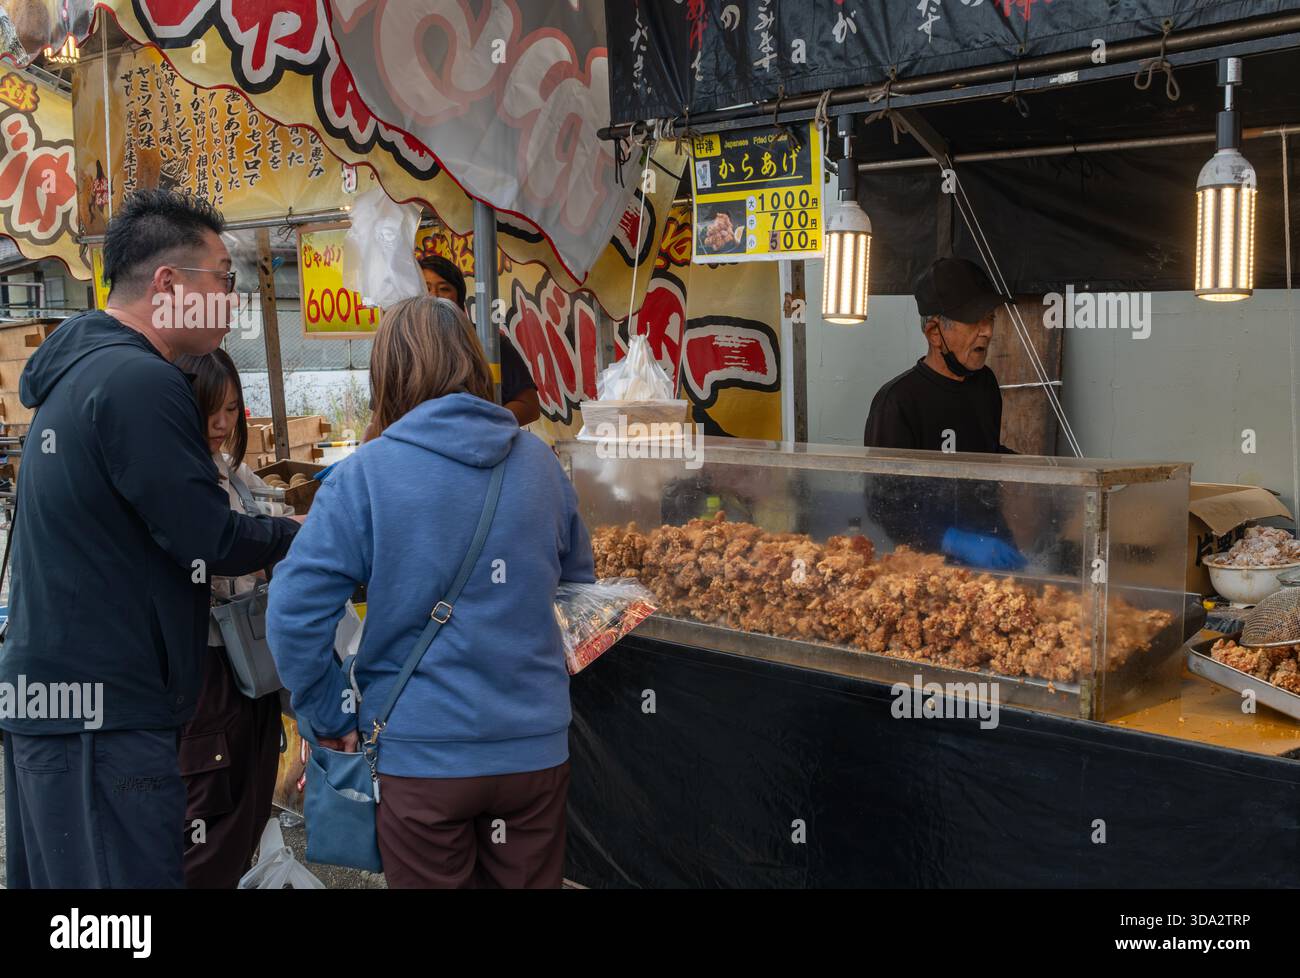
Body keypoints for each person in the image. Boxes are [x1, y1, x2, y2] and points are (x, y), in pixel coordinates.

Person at [0, 189, 300, 889]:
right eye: (224, 278)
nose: (231, 298)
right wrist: (296, 534)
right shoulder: (140, 380)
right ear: (169, 285)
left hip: (65, 706)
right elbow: (206, 538)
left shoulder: (82, 373)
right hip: (101, 714)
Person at [267, 296, 594, 889]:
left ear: (386, 375)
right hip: (533, 752)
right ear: (473, 361)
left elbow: (293, 610)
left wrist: (328, 713)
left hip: (421, 757)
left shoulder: (365, 475)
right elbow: (580, 595)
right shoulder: (543, 466)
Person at [173, 348, 289, 888]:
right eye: (208, 411)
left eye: (232, 409)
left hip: (255, 673)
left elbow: (267, 524)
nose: (221, 424)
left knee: (251, 808)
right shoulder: (175, 480)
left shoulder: (232, 473)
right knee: (211, 822)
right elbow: (224, 546)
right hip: (210, 672)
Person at [862, 257, 1024, 570]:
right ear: (935, 332)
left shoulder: (985, 384)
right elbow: (883, 505)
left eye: (990, 318)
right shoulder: (898, 401)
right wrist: (953, 539)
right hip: (929, 565)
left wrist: (1031, 472)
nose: (987, 331)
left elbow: (982, 455)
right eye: (974, 320)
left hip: (991, 551)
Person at [420, 255, 541, 427]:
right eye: (425, 288)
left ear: (459, 298)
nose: (433, 296)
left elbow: (529, 406)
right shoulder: (402, 346)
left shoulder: (489, 342)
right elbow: (383, 415)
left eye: (444, 288)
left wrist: (483, 427)